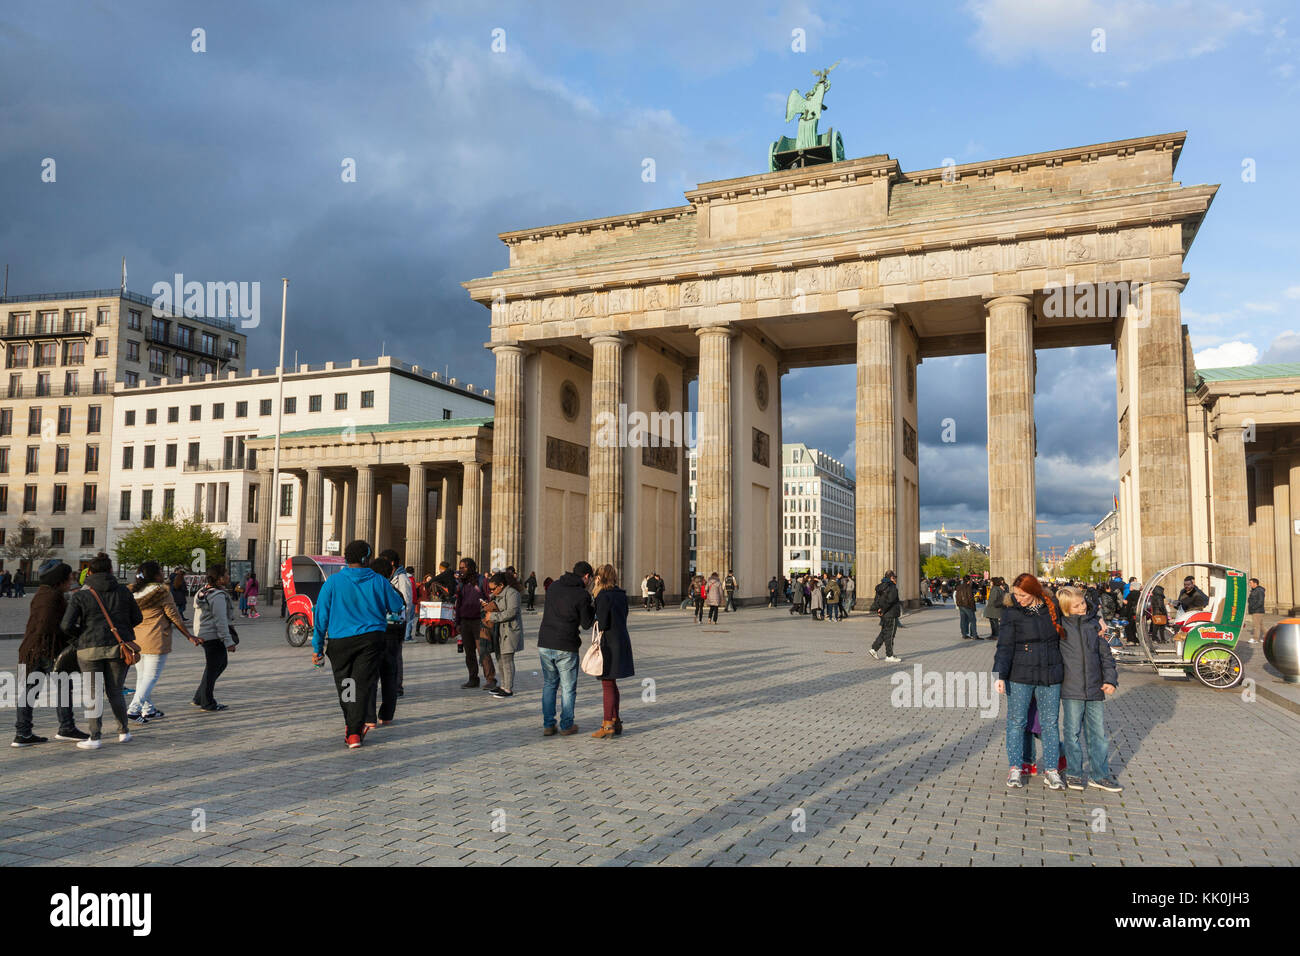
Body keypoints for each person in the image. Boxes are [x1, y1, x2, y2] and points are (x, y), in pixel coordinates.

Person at [313, 540, 404, 748]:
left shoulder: (333, 583)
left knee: (346, 685)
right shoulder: (379, 581)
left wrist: (317, 648)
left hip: (340, 642)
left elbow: (321, 617)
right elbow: (397, 605)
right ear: (366, 559)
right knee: (360, 684)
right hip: (370, 641)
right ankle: (353, 730)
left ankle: (352, 728)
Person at [60, 553, 142, 750]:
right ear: (111, 570)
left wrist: (80, 636)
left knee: (93, 693)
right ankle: (124, 732)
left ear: (89, 572)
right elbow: (137, 618)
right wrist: (121, 629)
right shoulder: (124, 592)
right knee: (115, 691)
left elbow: (65, 625)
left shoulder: (80, 595)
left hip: (89, 649)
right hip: (118, 648)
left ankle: (95, 736)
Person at [994, 573, 1066, 791]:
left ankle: (1051, 770)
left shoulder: (1052, 607)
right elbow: (1004, 646)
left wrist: (1095, 618)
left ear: (1035, 593)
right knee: (1016, 722)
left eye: (1023, 595)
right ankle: (1016, 766)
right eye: (1015, 594)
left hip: (1050, 673)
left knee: (1050, 723)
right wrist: (1000, 675)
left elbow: (1077, 608)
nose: (1018, 598)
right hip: (1020, 674)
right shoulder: (1011, 612)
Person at [1056, 586, 1122, 793]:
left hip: (1095, 687)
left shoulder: (1094, 625)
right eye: (1076, 606)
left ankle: (1100, 775)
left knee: (1098, 735)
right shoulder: (1059, 626)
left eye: (1083, 603)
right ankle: (1074, 773)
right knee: (1072, 733)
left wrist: (1110, 680)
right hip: (1071, 688)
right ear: (1066, 609)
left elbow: (1106, 656)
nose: (1082, 607)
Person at [13, 559, 86, 746]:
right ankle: (66, 728)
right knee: (62, 687)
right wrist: (74, 632)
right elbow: (50, 626)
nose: (71, 582)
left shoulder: (43, 593)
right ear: (59, 580)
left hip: (32, 648)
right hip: (45, 649)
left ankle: (23, 733)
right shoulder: (52, 597)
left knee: (30, 692)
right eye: (69, 579)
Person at [128, 560, 199, 723]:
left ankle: (148, 709)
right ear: (154, 575)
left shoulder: (131, 590)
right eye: (160, 571)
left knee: (142, 677)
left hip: (136, 640)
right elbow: (174, 616)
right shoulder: (161, 591)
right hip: (155, 639)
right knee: (151, 677)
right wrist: (189, 635)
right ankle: (133, 709)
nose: (163, 574)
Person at [536, 560, 595, 736]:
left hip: (545, 642)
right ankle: (567, 725)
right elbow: (586, 624)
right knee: (568, 688)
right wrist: (592, 603)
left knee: (549, 685)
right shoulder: (581, 594)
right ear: (586, 577)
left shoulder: (554, 586)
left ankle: (548, 725)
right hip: (566, 645)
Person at [589, 564, 634, 738]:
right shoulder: (621, 595)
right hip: (621, 641)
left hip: (608, 643)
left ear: (599, 578)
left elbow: (603, 622)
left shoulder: (603, 596)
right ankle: (615, 720)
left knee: (607, 684)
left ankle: (607, 724)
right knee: (612, 684)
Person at [364, 555, 405, 728]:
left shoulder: (370, 589)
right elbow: (402, 612)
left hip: (374, 636)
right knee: (390, 678)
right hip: (393, 638)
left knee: (370, 677)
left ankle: (369, 718)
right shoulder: (394, 591)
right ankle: (386, 716)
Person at [191, 564, 238, 713]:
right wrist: (228, 641)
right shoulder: (217, 596)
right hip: (212, 635)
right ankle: (207, 702)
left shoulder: (203, 591)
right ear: (219, 579)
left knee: (219, 664)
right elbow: (221, 620)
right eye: (226, 574)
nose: (228, 577)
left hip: (204, 633)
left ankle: (200, 697)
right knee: (214, 667)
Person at [455, 558, 494, 690]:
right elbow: (458, 604)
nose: (461, 570)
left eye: (463, 568)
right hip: (465, 621)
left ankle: (490, 679)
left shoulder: (482, 581)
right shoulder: (461, 584)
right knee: (469, 653)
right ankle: (473, 678)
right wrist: (457, 622)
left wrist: (488, 618)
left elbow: (490, 599)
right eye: (460, 568)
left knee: (483, 651)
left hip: (479, 621)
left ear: (471, 568)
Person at [486, 572, 524, 699]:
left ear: (501, 585)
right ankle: (503, 685)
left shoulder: (513, 593)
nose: (492, 591)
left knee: (507, 660)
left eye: (493, 588)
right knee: (499, 659)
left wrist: (492, 616)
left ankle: (508, 688)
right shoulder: (496, 596)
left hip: (510, 632)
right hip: (499, 631)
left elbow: (511, 612)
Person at [868, 571, 902, 662]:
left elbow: (877, 600)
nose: (895, 579)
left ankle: (874, 649)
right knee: (890, 635)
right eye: (894, 577)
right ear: (891, 578)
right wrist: (883, 610)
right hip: (891, 613)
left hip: (883, 613)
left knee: (884, 632)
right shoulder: (892, 587)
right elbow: (890, 601)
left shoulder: (880, 586)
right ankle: (889, 655)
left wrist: (879, 609)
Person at [1247, 577, 1266, 644]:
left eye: (1250, 583)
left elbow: (1261, 601)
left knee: (1256, 625)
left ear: (1255, 583)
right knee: (1261, 625)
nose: (1249, 584)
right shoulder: (1254, 590)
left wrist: (1253, 607)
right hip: (1256, 610)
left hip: (1257, 610)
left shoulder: (1259, 590)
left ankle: (1256, 639)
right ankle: (1267, 637)